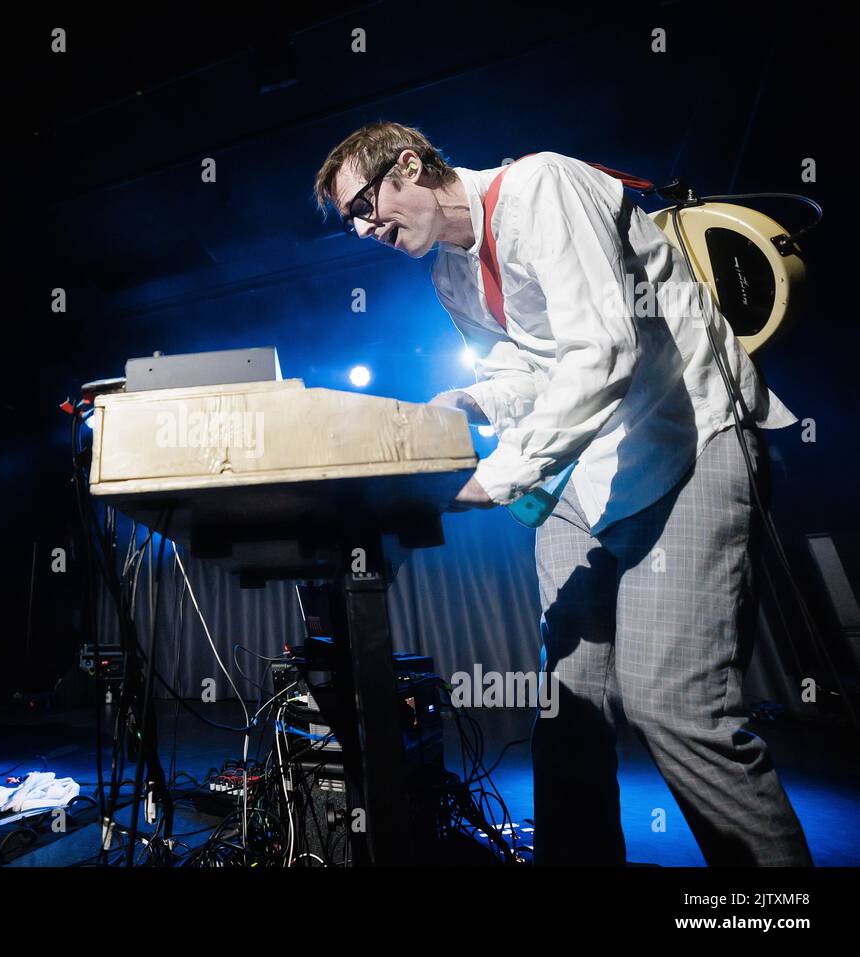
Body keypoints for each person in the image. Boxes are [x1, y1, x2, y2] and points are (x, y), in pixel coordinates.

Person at [312, 121, 812, 865]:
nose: (361, 229)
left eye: (362, 206)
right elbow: (528, 368)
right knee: (567, 709)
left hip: (687, 438)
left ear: (408, 165)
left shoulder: (541, 187)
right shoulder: (450, 273)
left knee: (673, 705)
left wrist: (497, 477)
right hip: (588, 474)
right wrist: (475, 402)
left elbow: (603, 347)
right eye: (350, 222)